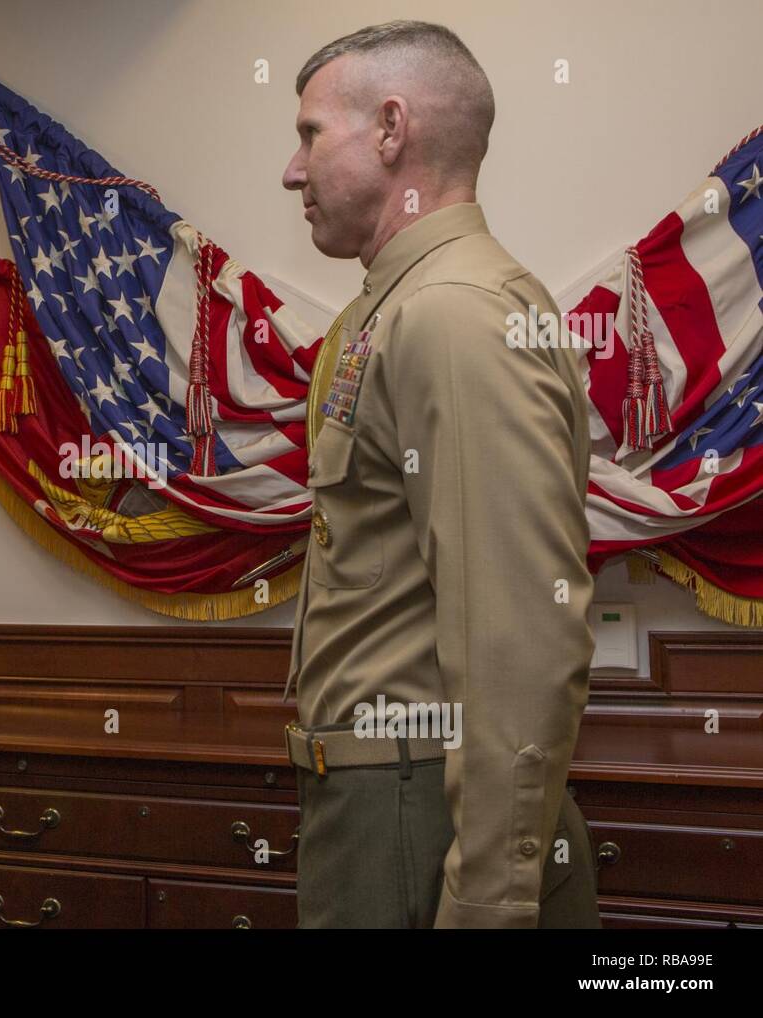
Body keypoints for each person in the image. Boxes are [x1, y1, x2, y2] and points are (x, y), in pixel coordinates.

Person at [279, 20, 601, 928]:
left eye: (309, 134)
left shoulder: (449, 314)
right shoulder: (402, 307)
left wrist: (489, 903)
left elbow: (519, 639)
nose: (292, 171)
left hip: (420, 812)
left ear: (391, 129)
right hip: (389, 799)